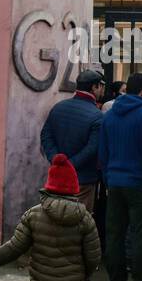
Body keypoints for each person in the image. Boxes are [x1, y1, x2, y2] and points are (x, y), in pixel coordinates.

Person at [98, 72, 142, 281]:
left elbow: (103, 153)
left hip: (115, 184)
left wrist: (108, 180)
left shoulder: (109, 116)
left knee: (115, 236)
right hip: (141, 184)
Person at [39, 69, 105, 212]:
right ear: (94, 87)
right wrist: (69, 165)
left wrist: (56, 160)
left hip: (56, 179)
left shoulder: (58, 108)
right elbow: (92, 149)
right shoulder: (98, 116)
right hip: (82, 181)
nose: (103, 90)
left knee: (55, 221)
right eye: (101, 85)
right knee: (79, 224)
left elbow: (46, 136)